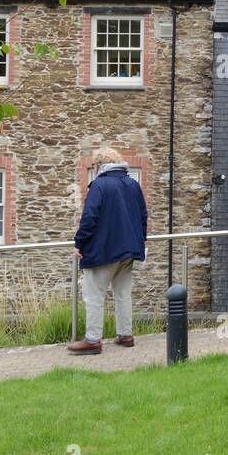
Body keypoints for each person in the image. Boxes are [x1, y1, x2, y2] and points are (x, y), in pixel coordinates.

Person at [67, 146, 148, 355]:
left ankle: (93, 340)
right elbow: (143, 217)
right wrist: (141, 243)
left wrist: (80, 243)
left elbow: (89, 218)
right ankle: (125, 335)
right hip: (129, 249)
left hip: (104, 250)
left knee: (93, 296)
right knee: (123, 294)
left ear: (99, 165)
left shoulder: (100, 185)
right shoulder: (133, 184)